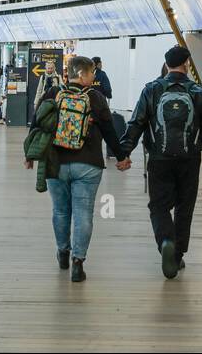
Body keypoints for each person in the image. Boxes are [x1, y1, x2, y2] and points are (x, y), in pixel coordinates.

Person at [121, 46, 202, 279]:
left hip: (159, 158)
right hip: (189, 158)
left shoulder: (152, 90)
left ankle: (166, 241)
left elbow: (136, 123)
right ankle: (177, 256)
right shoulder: (197, 91)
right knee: (185, 207)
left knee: (159, 206)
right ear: (186, 63)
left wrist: (124, 152)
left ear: (166, 65)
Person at [27, 55, 127, 282]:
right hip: (88, 164)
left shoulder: (53, 94)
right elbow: (110, 130)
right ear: (82, 74)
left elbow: (36, 124)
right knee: (83, 213)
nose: (94, 77)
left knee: (60, 211)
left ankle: (63, 251)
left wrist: (30, 155)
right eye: (91, 73)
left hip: (56, 163)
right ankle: (78, 262)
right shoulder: (96, 97)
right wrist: (121, 157)